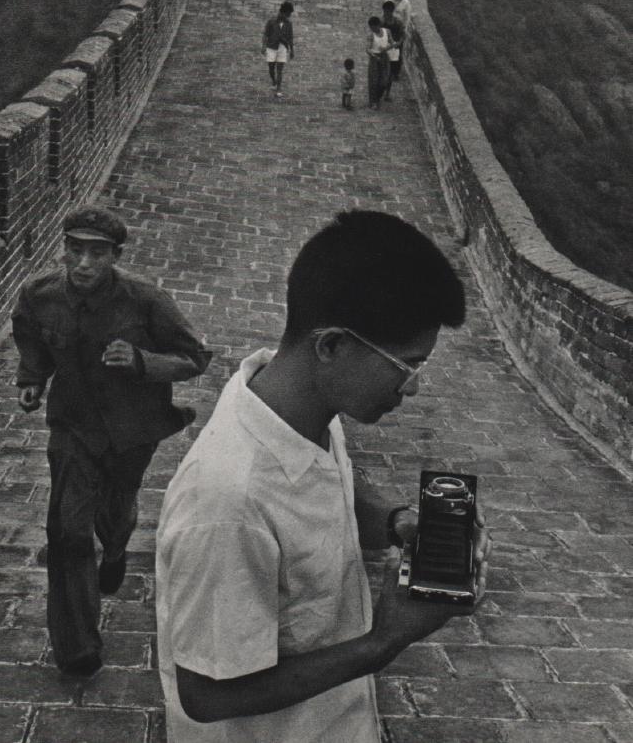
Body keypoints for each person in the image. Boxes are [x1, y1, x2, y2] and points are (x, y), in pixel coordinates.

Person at [156, 209, 491, 743]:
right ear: (332, 345)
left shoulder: (301, 407)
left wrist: (397, 523)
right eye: (406, 367)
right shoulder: (226, 503)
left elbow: (329, 482)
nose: (412, 389)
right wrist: (381, 643)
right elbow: (207, 694)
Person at [12, 205, 211, 677]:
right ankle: (78, 647)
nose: (84, 263)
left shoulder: (146, 301)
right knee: (66, 530)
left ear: (115, 256)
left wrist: (143, 360)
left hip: (132, 429)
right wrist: (33, 378)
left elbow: (193, 357)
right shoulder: (39, 295)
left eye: (97, 254)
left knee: (116, 510)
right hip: (73, 426)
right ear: (63, 249)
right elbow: (30, 338)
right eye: (75, 250)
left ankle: (117, 548)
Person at [262, 0, 295, 97]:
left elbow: (290, 37)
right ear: (284, 12)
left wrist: (292, 50)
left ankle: (279, 88)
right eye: (289, 13)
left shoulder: (289, 24)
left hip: (282, 47)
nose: (289, 16)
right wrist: (263, 46)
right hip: (271, 46)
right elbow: (266, 34)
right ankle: (273, 81)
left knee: (279, 69)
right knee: (271, 68)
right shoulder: (271, 21)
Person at [366, 14, 393, 109]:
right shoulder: (371, 35)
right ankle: (373, 101)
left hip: (384, 57)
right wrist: (373, 55)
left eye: (374, 27)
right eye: (371, 28)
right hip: (375, 58)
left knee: (384, 81)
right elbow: (368, 49)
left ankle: (378, 97)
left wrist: (386, 48)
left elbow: (392, 43)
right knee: (374, 81)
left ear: (378, 25)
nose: (373, 29)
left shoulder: (387, 31)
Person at [381, 1, 404, 100]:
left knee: (390, 73)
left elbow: (403, 35)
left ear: (392, 11)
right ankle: (380, 92)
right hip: (384, 49)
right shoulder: (381, 22)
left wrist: (399, 43)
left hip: (394, 50)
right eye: (385, 12)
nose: (386, 14)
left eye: (388, 12)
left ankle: (387, 94)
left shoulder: (398, 22)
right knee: (382, 71)